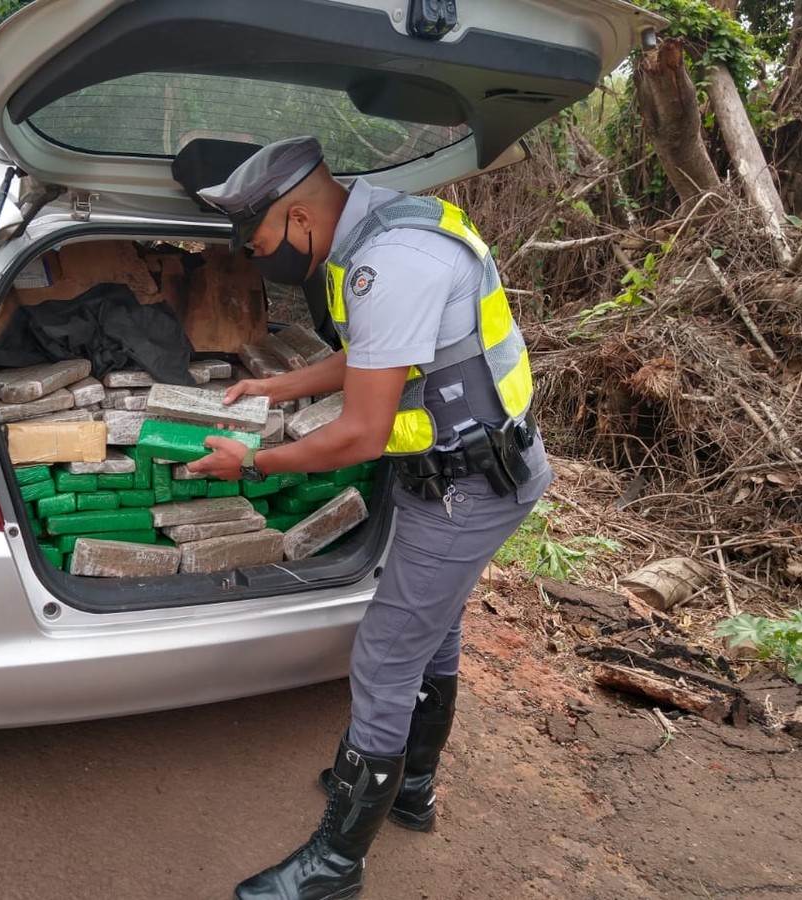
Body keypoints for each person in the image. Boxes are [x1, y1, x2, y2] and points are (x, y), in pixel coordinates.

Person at [186, 135, 554, 900]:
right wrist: (273, 392)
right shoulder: (394, 226)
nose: (261, 262)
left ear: (297, 215)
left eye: (260, 246)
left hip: (467, 488)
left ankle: (333, 865)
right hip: (472, 472)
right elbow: (379, 356)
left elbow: (360, 432)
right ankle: (410, 787)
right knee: (434, 629)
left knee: (386, 657)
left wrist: (250, 462)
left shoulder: (389, 265)